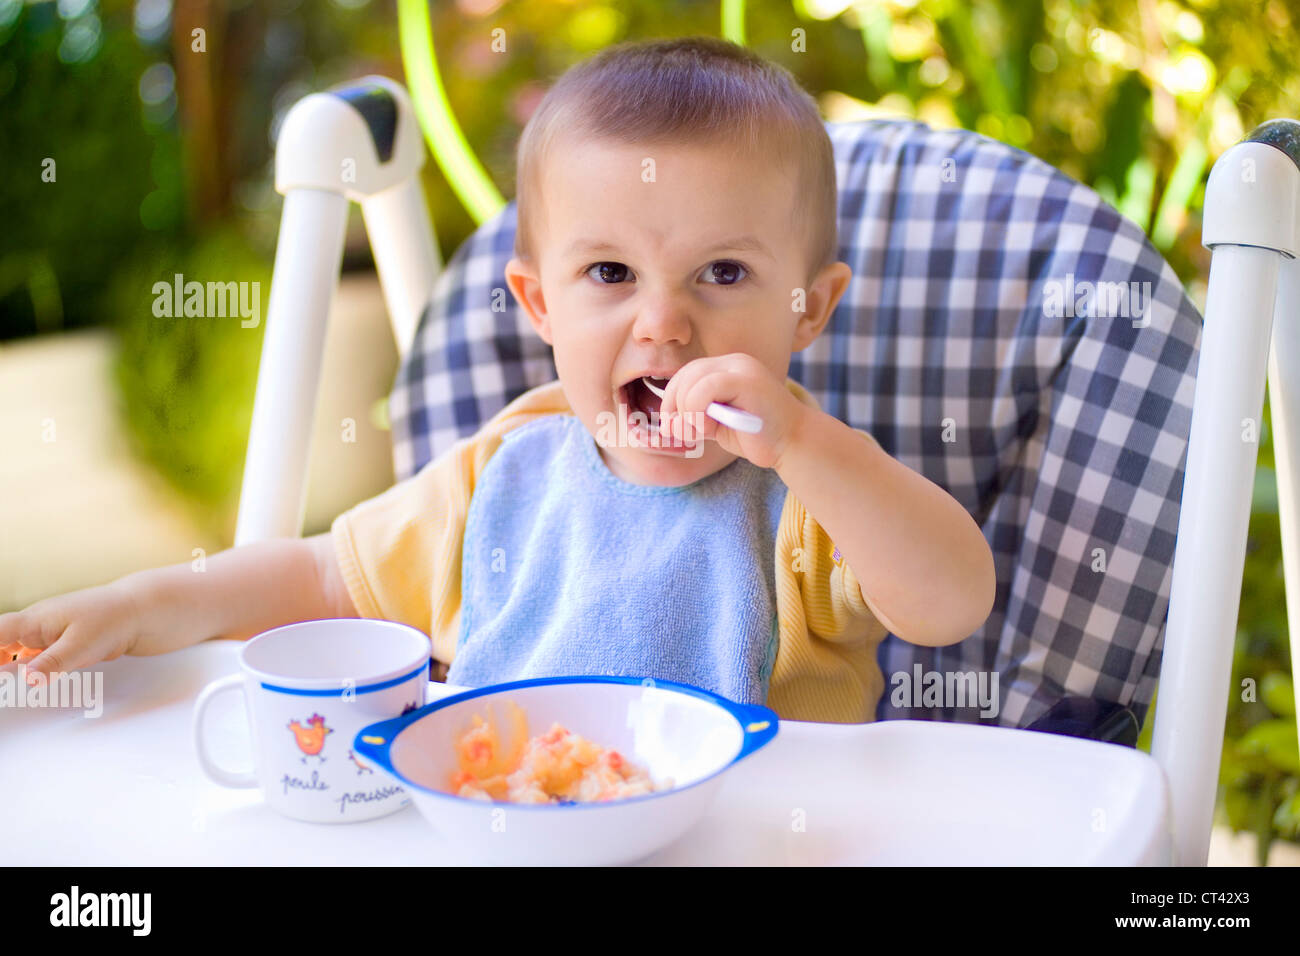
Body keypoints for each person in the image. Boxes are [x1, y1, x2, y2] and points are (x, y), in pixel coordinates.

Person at [0, 36, 994, 723]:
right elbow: (315, 576)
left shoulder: (809, 499)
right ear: (539, 304)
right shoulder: (503, 476)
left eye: (723, 273)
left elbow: (952, 599)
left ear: (807, 309)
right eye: (610, 274)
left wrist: (808, 446)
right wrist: (134, 605)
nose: (663, 321)